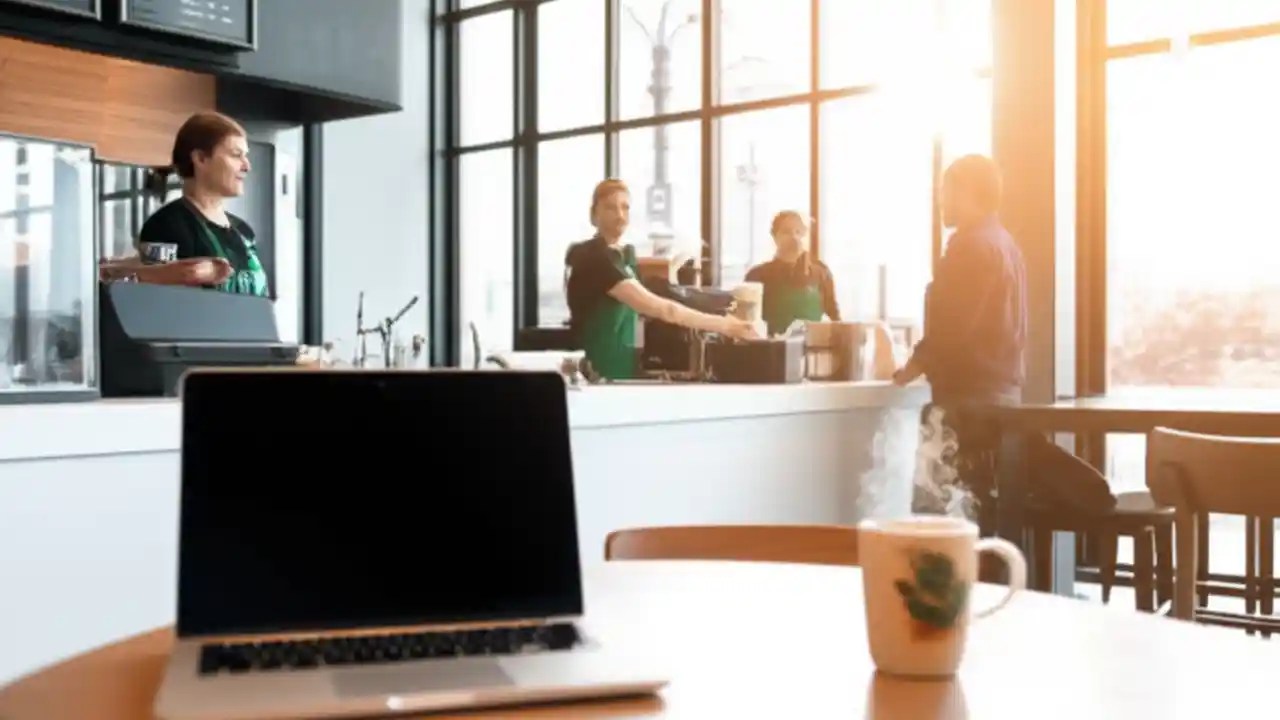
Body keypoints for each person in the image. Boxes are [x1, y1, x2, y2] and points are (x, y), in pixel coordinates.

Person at [892, 154, 1027, 527]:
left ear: (969, 192)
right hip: (1000, 399)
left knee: (943, 518)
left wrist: (913, 366)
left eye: (947, 191)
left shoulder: (969, 247)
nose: (941, 201)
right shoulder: (1006, 244)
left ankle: (952, 585)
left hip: (966, 405)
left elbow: (953, 326)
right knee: (981, 512)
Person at [565, 178, 759, 380]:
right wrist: (727, 326)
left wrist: (725, 299)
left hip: (622, 370)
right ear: (594, 215)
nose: (620, 215)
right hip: (597, 373)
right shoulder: (595, 258)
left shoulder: (623, 258)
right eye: (610, 208)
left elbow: (663, 298)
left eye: (625, 208)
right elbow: (663, 309)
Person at [129, 111, 268, 296]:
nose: (246, 166)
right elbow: (154, 302)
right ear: (201, 159)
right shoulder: (165, 226)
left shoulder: (244, 231)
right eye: (236, 155)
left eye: (246, 156)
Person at [744, 210, 840, 336]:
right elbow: (746, 324)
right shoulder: (757, 275)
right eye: (786, 232)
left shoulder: (821, 273)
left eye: (799, 232)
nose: (794, 237)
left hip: (812, 348)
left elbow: (835, 319)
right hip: (771, 350)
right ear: (774, 236)